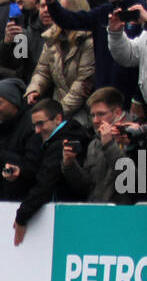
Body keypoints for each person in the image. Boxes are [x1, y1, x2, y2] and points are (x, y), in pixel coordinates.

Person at [12, 98, 91, 244]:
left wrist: (21, 216)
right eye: (34, 125)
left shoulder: (60, 144)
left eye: (40, 123)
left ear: (58, 119)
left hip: (68, 218)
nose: (37, 130)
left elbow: (45, 183)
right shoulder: (60, 139)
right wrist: (21, 172)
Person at [26, 0, 96, 124]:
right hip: (55, 105)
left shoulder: (88, 40)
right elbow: (40, 70)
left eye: (62, 10)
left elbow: (82, 84)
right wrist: (34, 89)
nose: (55, 13)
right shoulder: (45, 37)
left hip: (81, 110)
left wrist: (56, 114)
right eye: (42, 6)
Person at [60, 87, 130, 201]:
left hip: (125, 212)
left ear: (118, 113)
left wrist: (109, 145)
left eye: (101, 114)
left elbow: (133, 181)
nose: (95, 120)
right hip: (96, 210)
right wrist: (70, 164)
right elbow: (87, 187)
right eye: (92, 115)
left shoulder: (134, 136)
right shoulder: (94, 143)